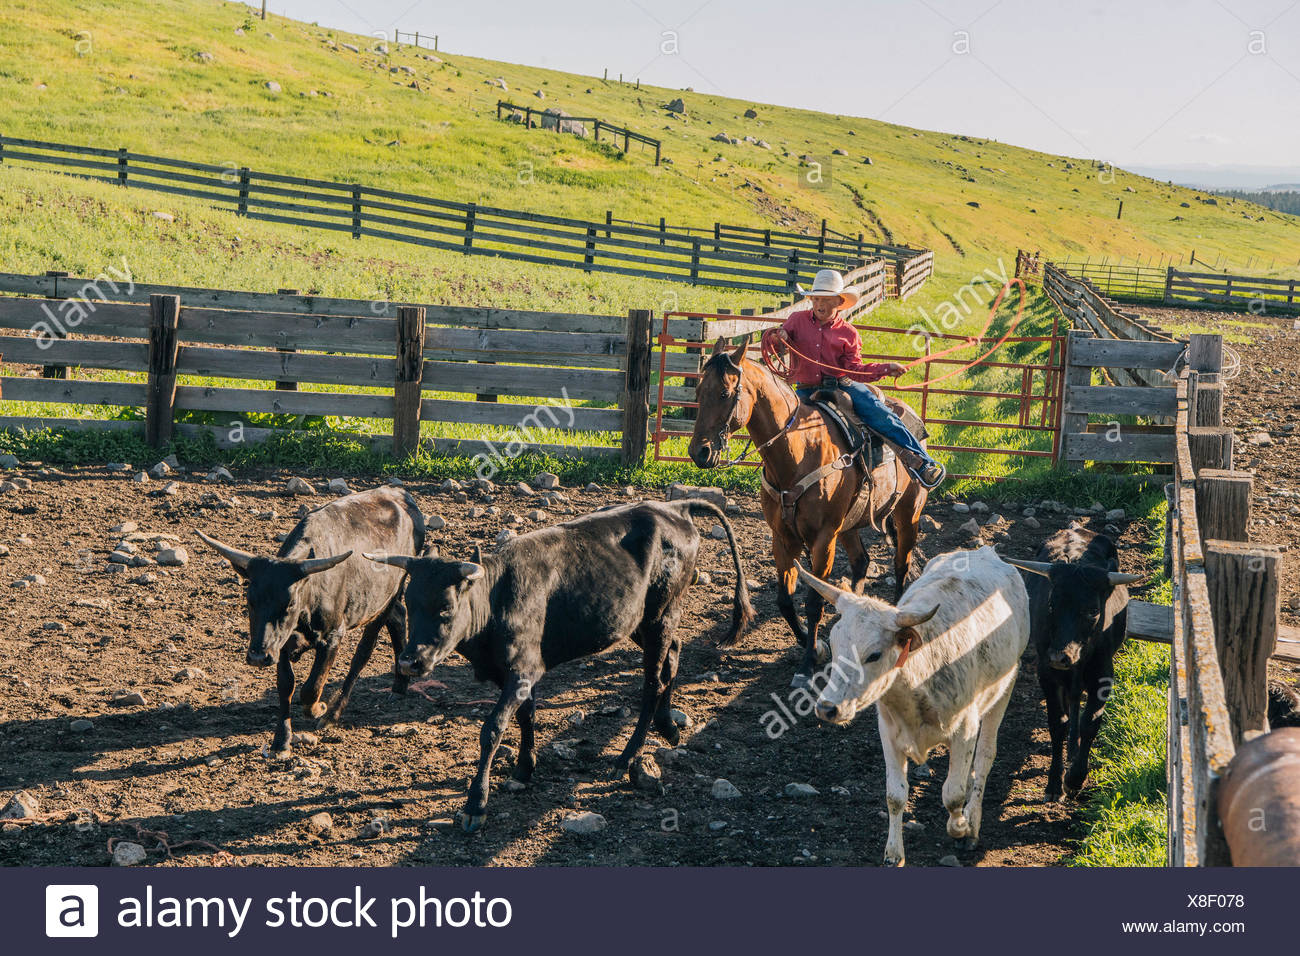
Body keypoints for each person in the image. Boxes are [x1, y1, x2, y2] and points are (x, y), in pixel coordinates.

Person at [765, 268, 945, 488]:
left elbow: (854, 369)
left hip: (842, 385)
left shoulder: (848, 333)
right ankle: (775, 475)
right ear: (811, 299)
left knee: (880, 413)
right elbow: (774, 342)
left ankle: (923, 464)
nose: (820, 304)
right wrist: (777, 336)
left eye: (826, 300)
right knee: (775, 420)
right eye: (817, 299)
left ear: (838, 302)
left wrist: (886, 368)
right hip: (804, 387)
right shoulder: (796, 320)